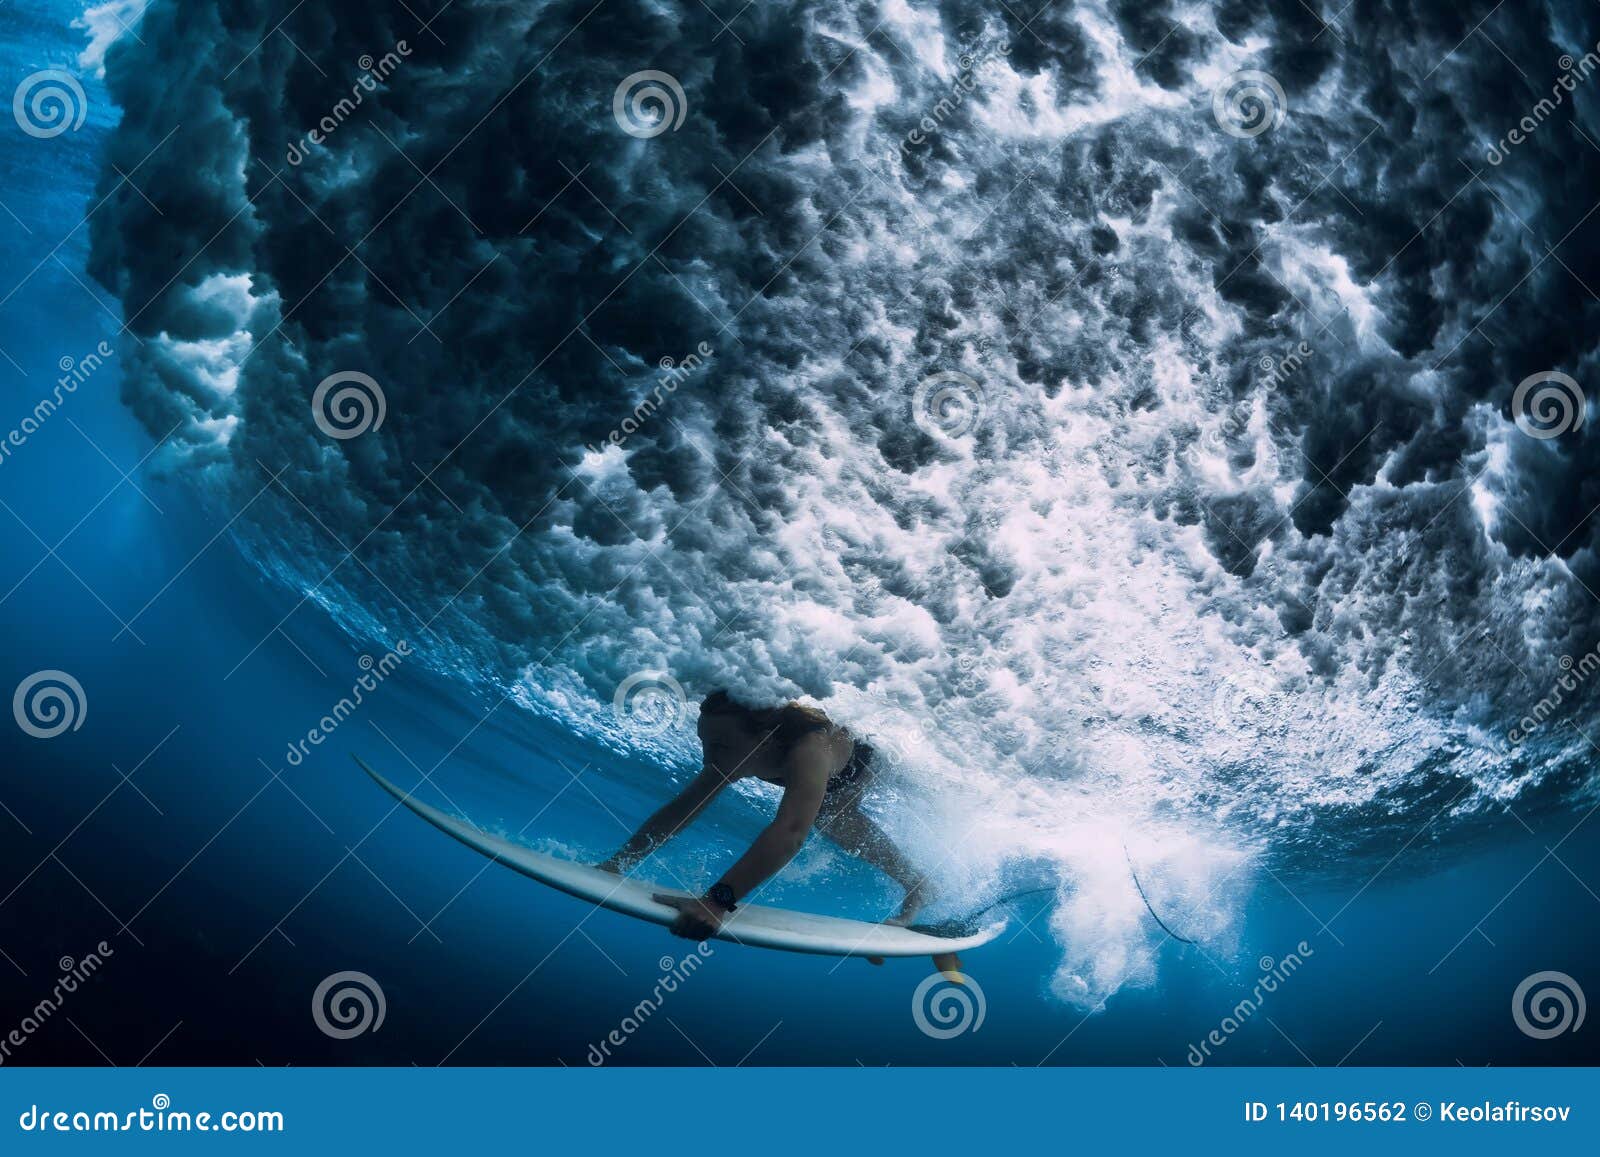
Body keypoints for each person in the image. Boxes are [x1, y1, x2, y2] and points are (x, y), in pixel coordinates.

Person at [599, 690, 952, 968]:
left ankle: (919, 885)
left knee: (829, 817)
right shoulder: (736, 750)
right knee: (826, 813)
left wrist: (716, 902)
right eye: (705, 744)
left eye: (719, 746)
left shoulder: (808, 750)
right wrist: (618, 864)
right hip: (816, 760)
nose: (709, 758)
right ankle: (919, 884)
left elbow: (791, 832)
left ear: (765, 739)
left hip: (863, 758)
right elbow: (681, 810)